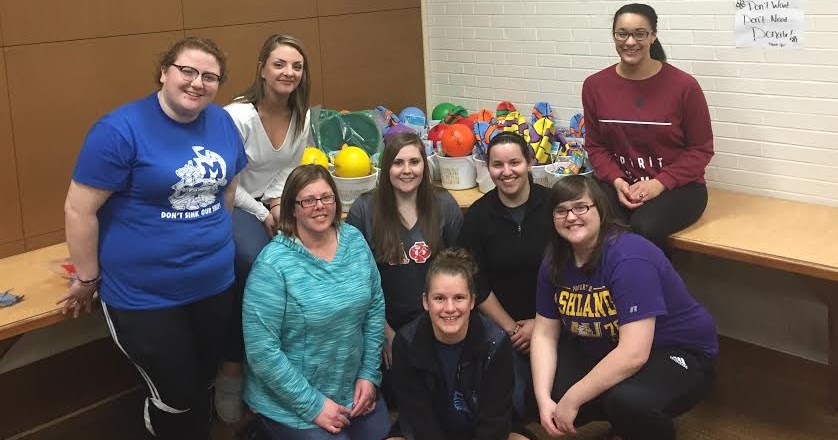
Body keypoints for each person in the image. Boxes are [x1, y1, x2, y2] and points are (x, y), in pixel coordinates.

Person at [61, 37, 247, 439]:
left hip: (214, 283)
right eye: (188, 71)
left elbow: (228, 186)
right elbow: (79, 209)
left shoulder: (222, 122)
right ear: (164, 72)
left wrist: (211, 239)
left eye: (210, 77)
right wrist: (88, 277)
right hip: (145, 296)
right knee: (177, 393)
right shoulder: (119, 129)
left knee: (201, 380)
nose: (198, 83)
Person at [531, 175, 718, 440]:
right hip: (607, 344)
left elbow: (634, 354)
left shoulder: (630, 257)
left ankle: (637, 424)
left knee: (628, 402)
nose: (571, 217)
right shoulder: (555, 261)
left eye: (580, 207)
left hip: (675, 350)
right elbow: (544, 334)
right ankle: (625, 424)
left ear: (601, 209)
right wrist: (544, 400)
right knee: (550, 388)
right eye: (561, 211)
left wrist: (573, 399)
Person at [242, 164, 389, 440]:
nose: (319, 206)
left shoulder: (354, 241)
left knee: (381, 433)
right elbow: (262, 352)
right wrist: (314, 405)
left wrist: (369, 375)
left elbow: (374, 308)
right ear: (292, 208)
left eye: (326, 197)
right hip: (290, 398)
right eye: (308, 200)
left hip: (351, 386)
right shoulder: (273, 265)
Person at [216, 33, 313, 423]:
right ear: (261, 68)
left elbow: (285, 171)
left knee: (306, 255)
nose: (288, 72)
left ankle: (288, 365)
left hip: (269, 204)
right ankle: (232, 369)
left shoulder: (301, 115)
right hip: (231, 205)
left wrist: (277, 204)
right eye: (279, 64)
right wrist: (262, 212)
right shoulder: (235, 116)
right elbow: (225, 183)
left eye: (297, 66)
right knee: (258, 265)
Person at [582, 3, 714, 249]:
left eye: (639, 33)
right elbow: (596, 146)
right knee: (596, 221)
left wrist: (658, 183)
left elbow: (701, 150)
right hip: (619, 184)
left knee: (644, 228)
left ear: (653, 36)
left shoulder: (684, 86)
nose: (630, 41)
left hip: (679, 188)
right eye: (622, 33)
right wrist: (617, 181)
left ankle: (654, 286)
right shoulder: (594, 85)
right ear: (614, 36)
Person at [345, 131, 462, 388]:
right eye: (398, 163)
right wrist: (384, 332)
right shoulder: (364, 209)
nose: (406, 170)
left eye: (414, 162)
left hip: (435, 319)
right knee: (391, 391)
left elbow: (460, 271)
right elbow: (356, 282)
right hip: (383, 321)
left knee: (439, 386)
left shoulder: (444, 205)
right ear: (386, 167)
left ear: (424, 165)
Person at [386, 248, 530, 440]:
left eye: (459, 298)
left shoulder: (496, 342)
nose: (450, 308)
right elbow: (418, 419)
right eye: (439, 298)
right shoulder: (406, 343)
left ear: (472, 301)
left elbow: (494, 420)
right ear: (425, 302)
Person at [457, 131, 551, 418]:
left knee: (557, 395)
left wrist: (542, 324)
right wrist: (512, 329)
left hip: (553, 320)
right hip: (500, 327)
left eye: (515, 163)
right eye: (498, 165)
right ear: (488, 168)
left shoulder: (553, 205)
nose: (507, 172)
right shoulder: (478, 215)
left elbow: (571, 271)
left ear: (529, 162)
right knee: (516, 403)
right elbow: (475, 281)